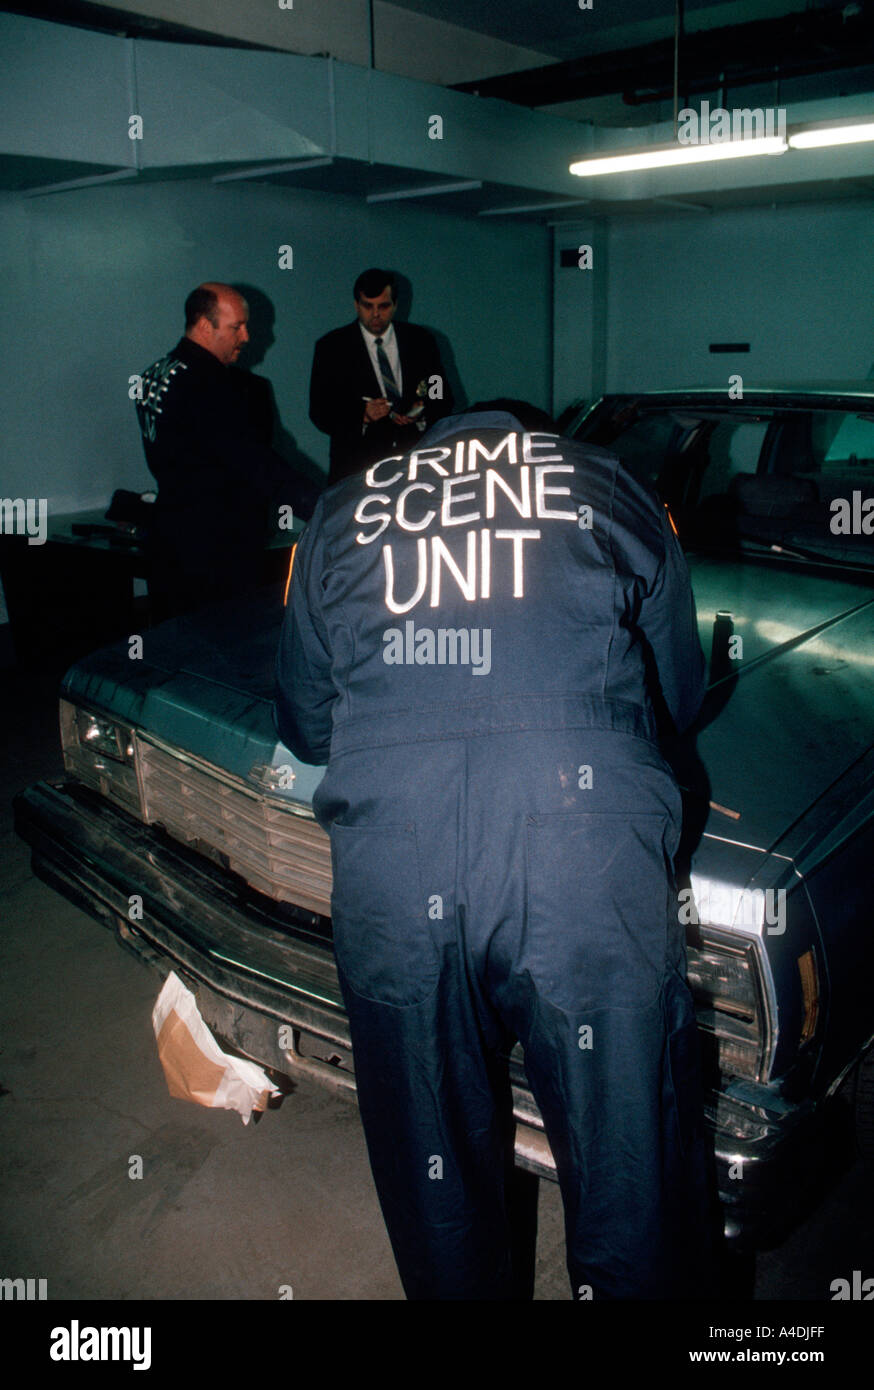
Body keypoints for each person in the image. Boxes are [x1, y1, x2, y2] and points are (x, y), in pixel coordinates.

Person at [274, 400, 717, 1300]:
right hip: (582, 859)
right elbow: (681, 689)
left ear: (430, 447)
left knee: (432, 1156)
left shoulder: (342, 509)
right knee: (630, 1153)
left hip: (399, 866)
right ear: (532, 440)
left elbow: (306, 725)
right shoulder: (606, 484)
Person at [136, 282, 319, 621]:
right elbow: (255, 464)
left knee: (176, 646)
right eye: (237, 327)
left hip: (170, 538)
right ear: (205, 326)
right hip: (216, 549)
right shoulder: (211, 386)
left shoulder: (154, 375)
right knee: (223, 648)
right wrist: (322, 507)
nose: (247, 337)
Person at [308, 268, 454, 485]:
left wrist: (422, 409)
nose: (375, 314)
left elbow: (441, 395)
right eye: (368, 306)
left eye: (383, 306)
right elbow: (320, 412)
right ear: (356, 305)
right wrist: (363, 414)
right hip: (356, 470)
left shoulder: (422, 341)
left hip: (417, 466)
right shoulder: (331, 347)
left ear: (395, 305)